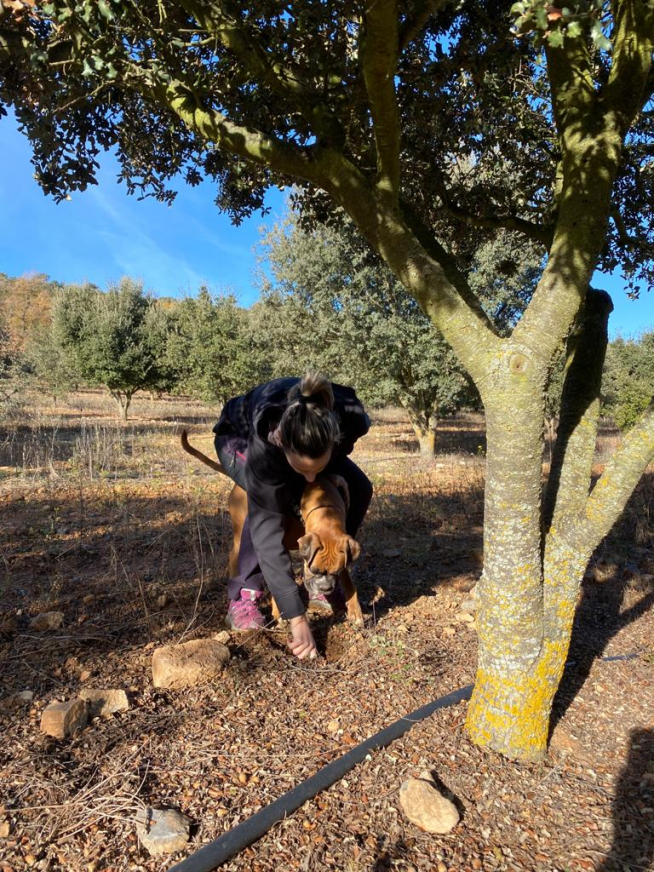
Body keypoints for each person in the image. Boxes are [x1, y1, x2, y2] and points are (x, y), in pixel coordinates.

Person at [213, 373, 372, 660]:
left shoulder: (350, 418)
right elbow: (268, 537)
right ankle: (244, 594)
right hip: (238, 438)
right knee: (260, 506)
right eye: (303, 469)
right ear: (282, 442)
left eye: (316, 468)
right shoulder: (266, 449)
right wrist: (296, 617)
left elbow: (324, 461)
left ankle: (328, 568)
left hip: (311, 440)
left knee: (359, 487)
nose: (311, 477)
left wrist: (330, 472)